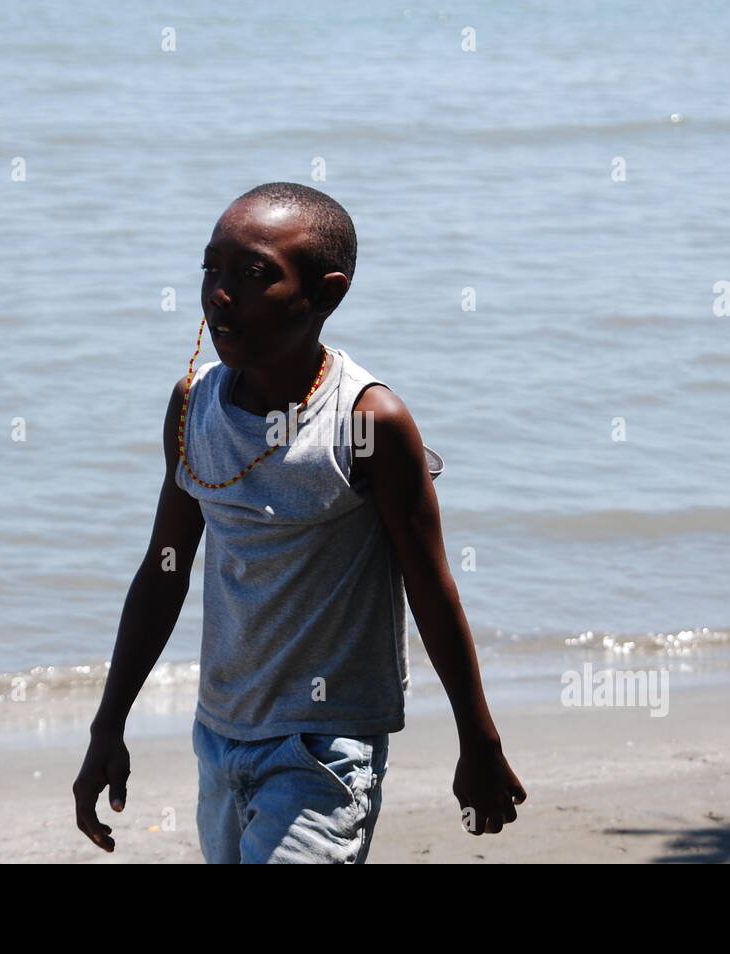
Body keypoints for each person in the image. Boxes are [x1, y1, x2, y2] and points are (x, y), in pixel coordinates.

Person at [74, 182, 525, 862]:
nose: (220, 294)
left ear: (326, 293)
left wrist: (479, 741)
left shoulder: (367, 423)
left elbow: (431, 588)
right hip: (219, 736)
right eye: (212, 269)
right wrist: (108, 725)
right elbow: (163, 571)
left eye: (253, 275)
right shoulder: (195, 406)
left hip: (325, 748)